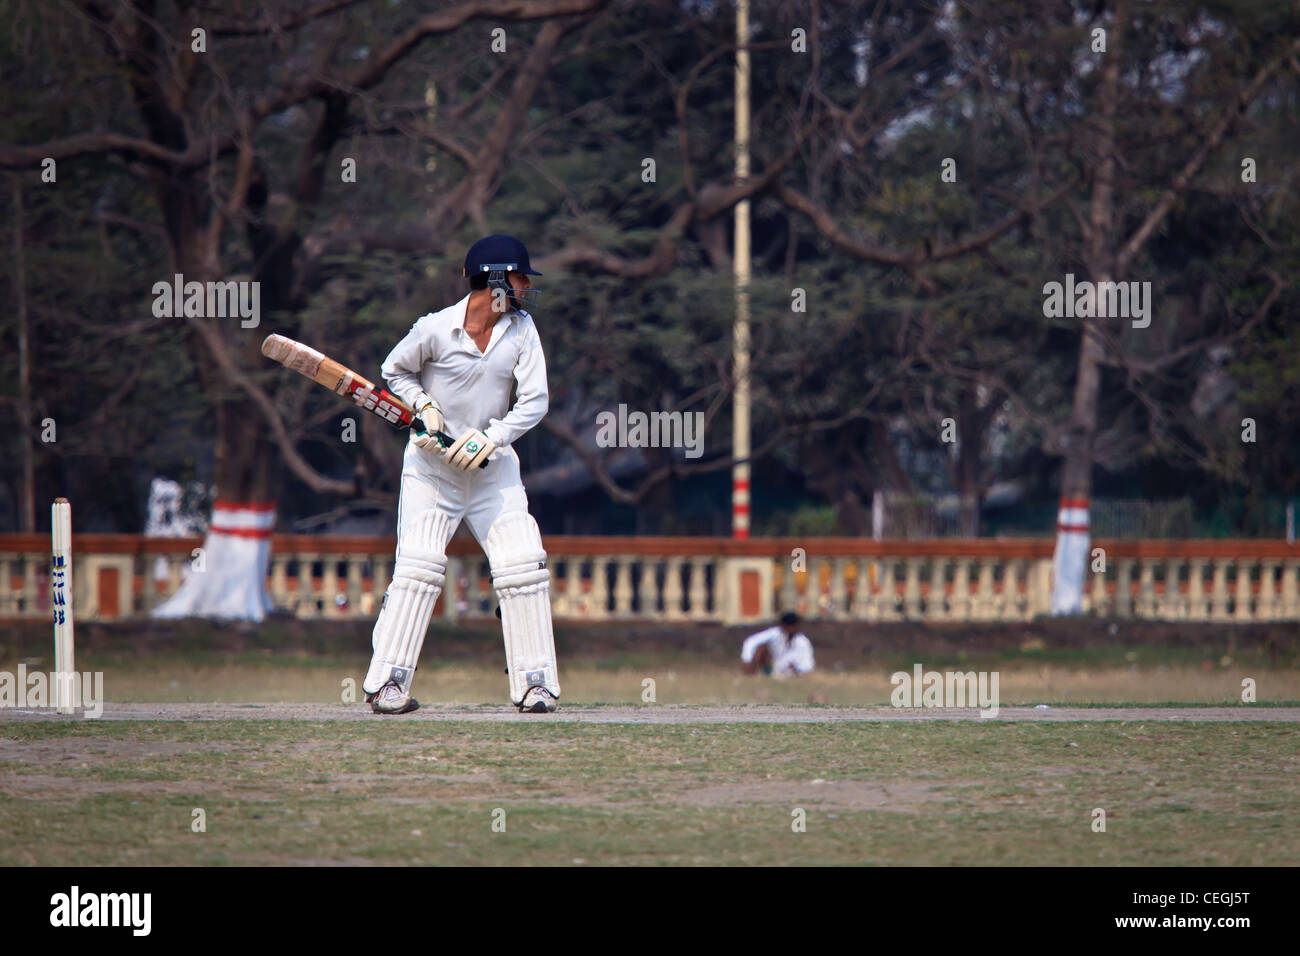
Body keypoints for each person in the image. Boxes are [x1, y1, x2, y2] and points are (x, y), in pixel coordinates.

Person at [362, 235, 560, 715]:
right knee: (420, 567)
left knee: (522, 566)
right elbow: (395, 371)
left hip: (492, 471)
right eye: (519, 276)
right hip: (433, 472)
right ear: (494, 279)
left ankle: (536, 685)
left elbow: (534, 400)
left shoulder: (522, 329)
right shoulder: (433, 329)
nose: (526, 285)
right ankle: (388, 684)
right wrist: (425, 406)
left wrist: (493, 436)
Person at [741, 611, 815, 677]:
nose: (790, 629)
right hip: (772, 666)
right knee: (761, 647)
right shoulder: (775, 633)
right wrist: (747, 659)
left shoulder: (803, 642)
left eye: (793, 626)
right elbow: (751, 641)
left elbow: (808, 664)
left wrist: (797, 668)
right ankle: (755, 675)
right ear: (783, 626)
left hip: (792, 672)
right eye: (788, 626)